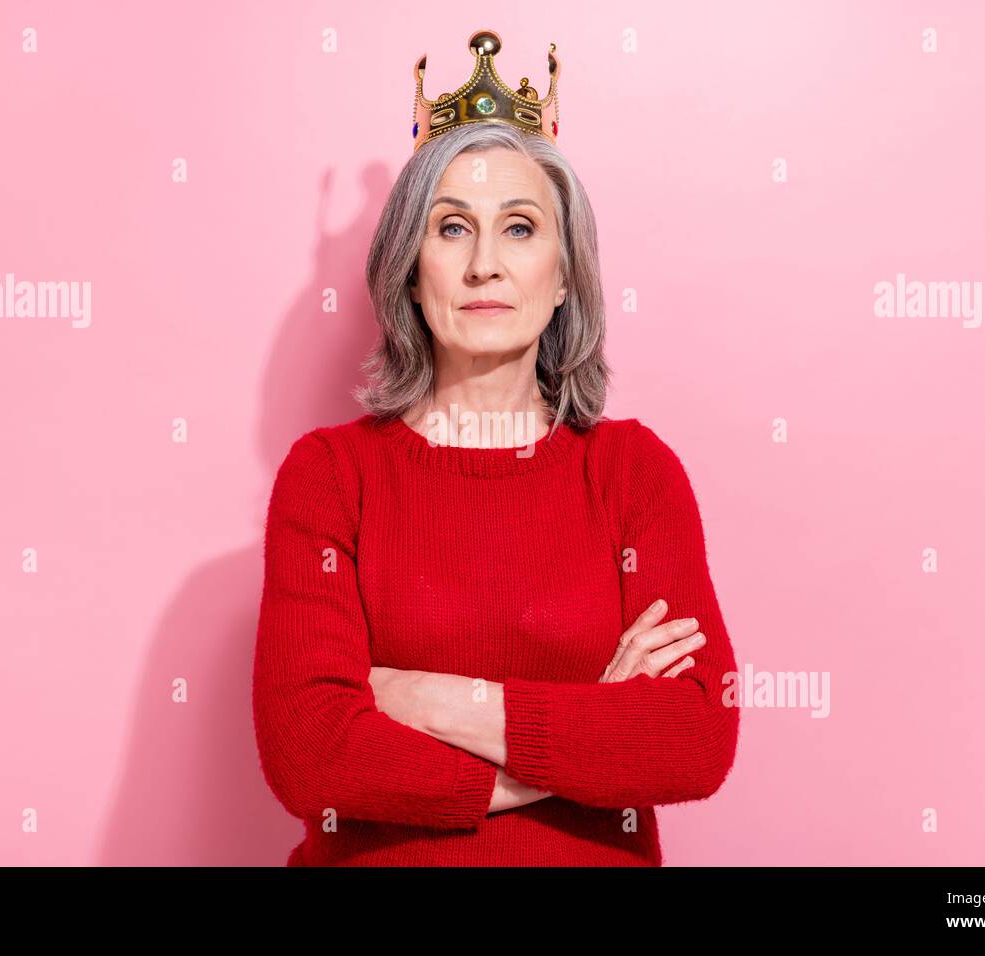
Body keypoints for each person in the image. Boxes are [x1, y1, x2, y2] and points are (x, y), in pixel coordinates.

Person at [252, 29, 739, 866]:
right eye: (450, 229)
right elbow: (310, 755)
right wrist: (586, 728)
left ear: (563, 277)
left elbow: (693, 737)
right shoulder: (330, 475)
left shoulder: (632, 472)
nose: (484, 265)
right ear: (409, 270)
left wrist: (416, 699)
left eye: (519, 229)